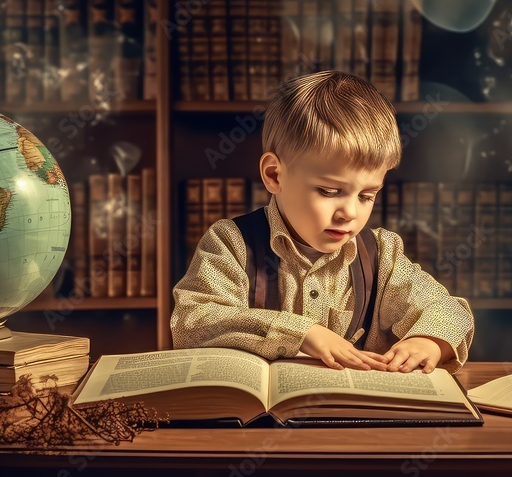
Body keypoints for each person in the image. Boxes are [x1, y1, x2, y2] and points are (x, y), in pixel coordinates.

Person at [171, 70, 474, 374]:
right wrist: (301, 333)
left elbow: (450, 311)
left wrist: (428, 341)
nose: (349, 212)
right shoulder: (231, 244)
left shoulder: (382, 256)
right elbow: (192, 322)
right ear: (274, 175)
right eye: (329, 191)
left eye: (367, 196)